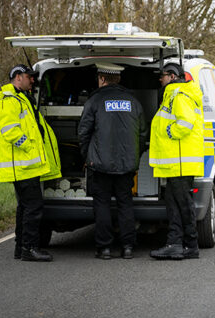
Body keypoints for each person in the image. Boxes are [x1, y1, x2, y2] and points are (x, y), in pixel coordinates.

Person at [78, 63, 147, 260]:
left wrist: (86, 156)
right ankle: (127, 247)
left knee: (102, 205)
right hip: (127, 165)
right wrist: (136, 155)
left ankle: (105, 248)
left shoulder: (94, 101)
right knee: (126, 204)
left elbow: (83, 132)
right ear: (118, 79)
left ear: (102, 79)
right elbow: (142, 134)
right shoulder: (134, 102)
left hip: (100, 165)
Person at [0, 64, 61, 262]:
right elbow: (10, 131)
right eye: (28, 76)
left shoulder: (21, 98)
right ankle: (30, 248)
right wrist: (29, 147)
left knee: (24, 207)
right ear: (17, 77)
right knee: (33, 206)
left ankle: (20, 247)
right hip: (22, 165)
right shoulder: (9, 101)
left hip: (25, 165)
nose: (32, 80)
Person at [149, 63, 205, 260]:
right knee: (174, 204)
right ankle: (176, 244)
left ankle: (189, 245)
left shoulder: (179, 96)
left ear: (172, 76)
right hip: (177, 163)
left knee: (182, 204)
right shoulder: (175, 94)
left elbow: (185, 122)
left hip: (181, 161)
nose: (160, 80)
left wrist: (168, 131)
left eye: (162, 76)